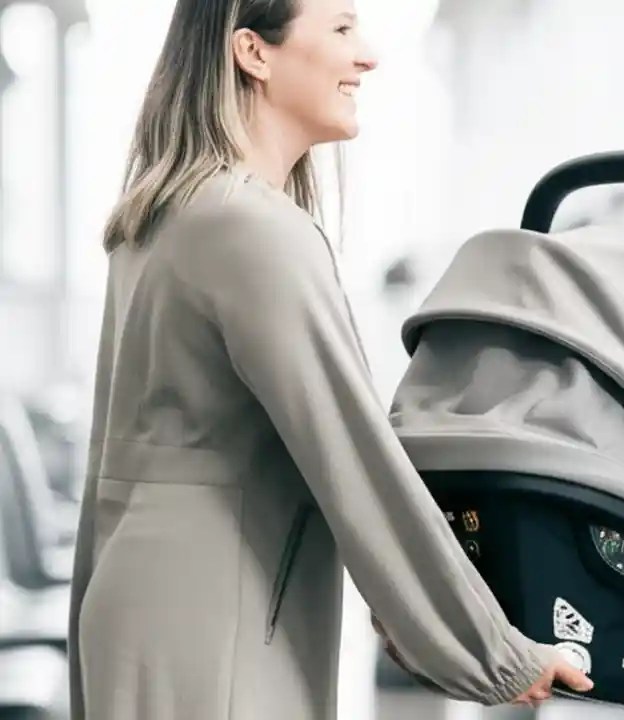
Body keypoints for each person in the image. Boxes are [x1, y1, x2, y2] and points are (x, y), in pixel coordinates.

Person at [66, 1, 592, 718]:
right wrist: (485, 650)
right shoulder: (251, 228)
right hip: (215, 618)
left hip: (139, 609)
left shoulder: (161, 216)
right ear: (253, 53)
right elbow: (354, 457)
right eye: (343, 28)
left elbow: (108, 472)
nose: (368, 55)